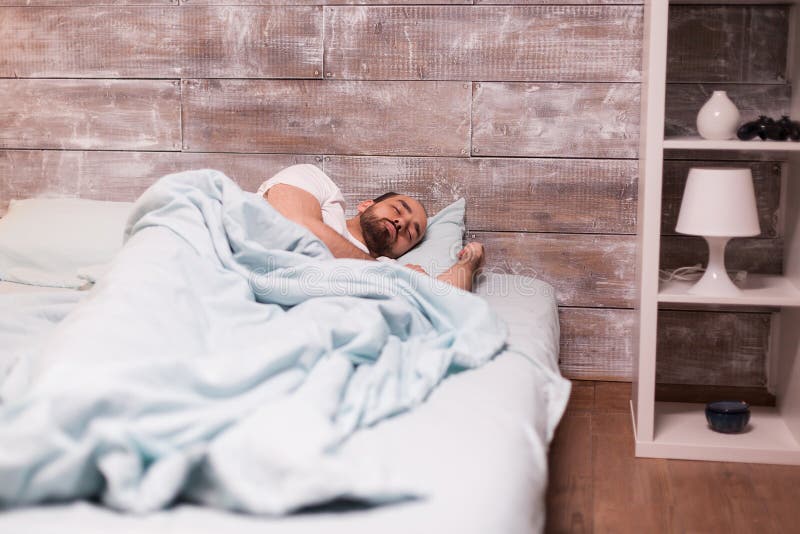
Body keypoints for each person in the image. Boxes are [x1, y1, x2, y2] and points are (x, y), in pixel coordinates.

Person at [258, 164, 484, 291]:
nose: (402, 223)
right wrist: (383, 275)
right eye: (397, 209)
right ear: (366, 205)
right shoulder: (320, 186)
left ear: (404, 252)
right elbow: (297, 227)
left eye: (411, 233)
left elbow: (445, 300)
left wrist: (470, 262)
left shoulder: (388, 268)